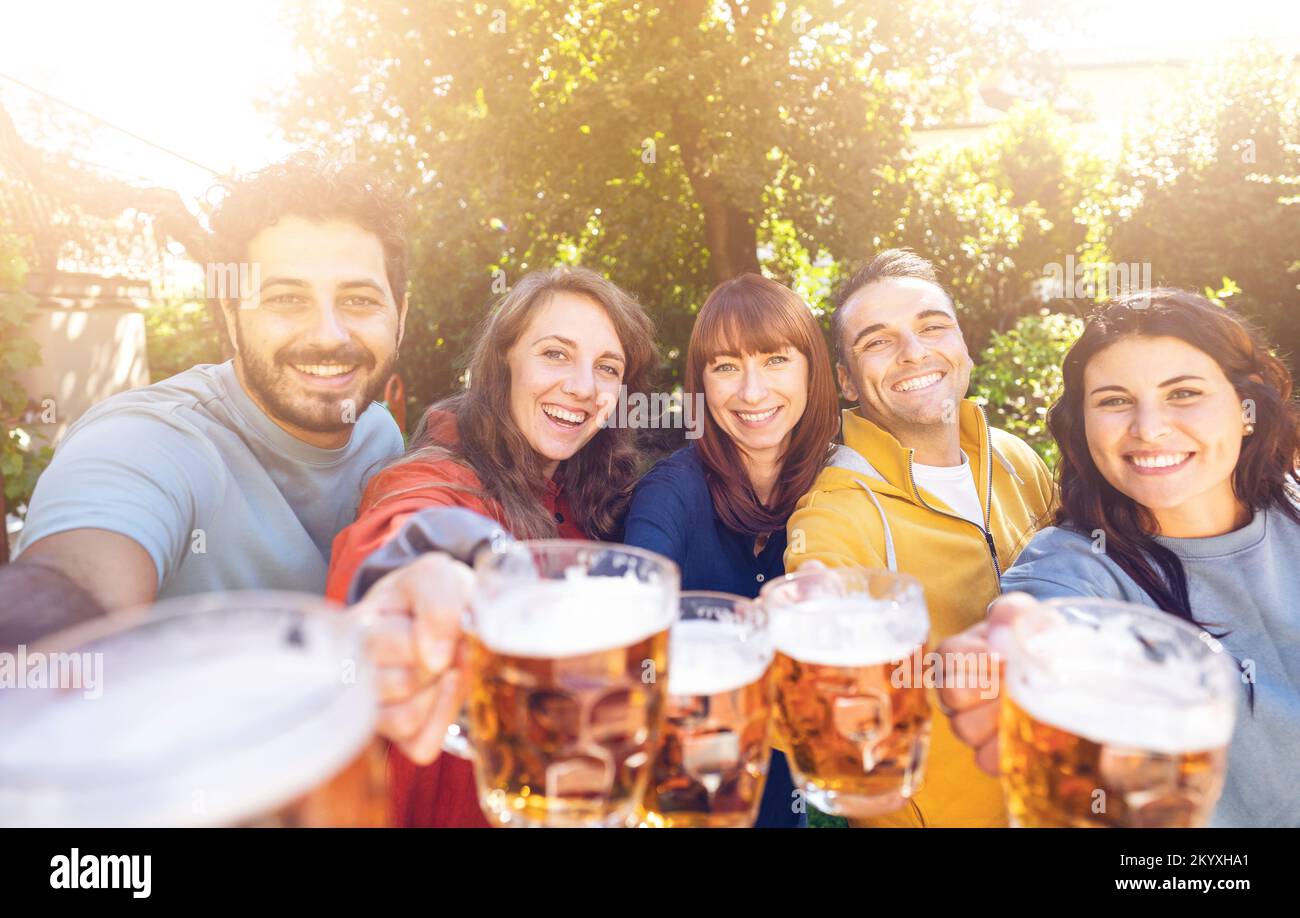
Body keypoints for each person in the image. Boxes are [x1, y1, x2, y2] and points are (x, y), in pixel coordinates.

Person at [937, 289, 1300, 828]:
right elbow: (1047, 626)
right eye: (1113, 400)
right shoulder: (1071, 569)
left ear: (1246, 410)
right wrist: (1017, 664)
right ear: (1082, 425)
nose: (1148, 427)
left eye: (1183, 392)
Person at [326, 266, 658, 828]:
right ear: (503, 362)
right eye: (555, 354)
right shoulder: (441, 477)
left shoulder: (595, 496)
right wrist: (433, 566)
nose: (583, 386)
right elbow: (407, 529)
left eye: (608, 368)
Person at [7, 155, 407, 613]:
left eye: (359, 299)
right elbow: (75, 579)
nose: (328, 335)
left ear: (402, 317)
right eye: (286, 298)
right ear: (232, 317)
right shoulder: (152, 439)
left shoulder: (379, 434)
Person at [784, 249, 1054, 827]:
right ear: (846, 383)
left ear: (963, 347)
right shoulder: (837, 511)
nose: (914, 351)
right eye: (877, 341)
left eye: (933, 327)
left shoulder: (1016, 459)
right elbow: (801, 689)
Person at [623, 273, 841, 828]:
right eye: (725, 366)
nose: (751, 391)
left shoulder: (839, 487)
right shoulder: (669, 493)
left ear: (812, 369)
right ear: (701, 385)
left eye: (774, 359)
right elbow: (636, 627)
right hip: (687, 793)